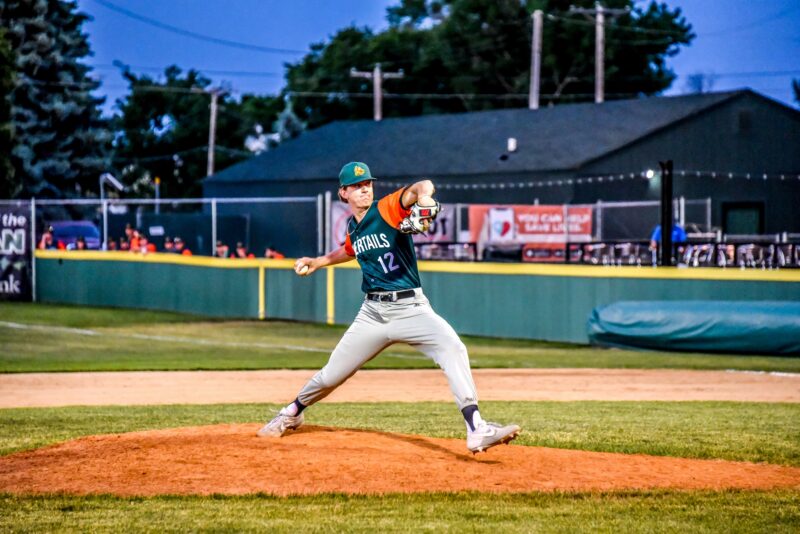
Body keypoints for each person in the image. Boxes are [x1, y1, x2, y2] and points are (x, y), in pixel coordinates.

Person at [257, 162, 520, 454]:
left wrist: (425, 200)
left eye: (367, 183)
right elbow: (349, 249)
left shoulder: (387, 208)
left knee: (453, 348)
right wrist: (318, 261)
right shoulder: (353, 227)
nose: (364, 189)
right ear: (343, 193)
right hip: (372, 313)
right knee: (332, 374)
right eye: (356, 186)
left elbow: (423, 185)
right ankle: (291, 412)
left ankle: (476, 429)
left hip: (411, 308)